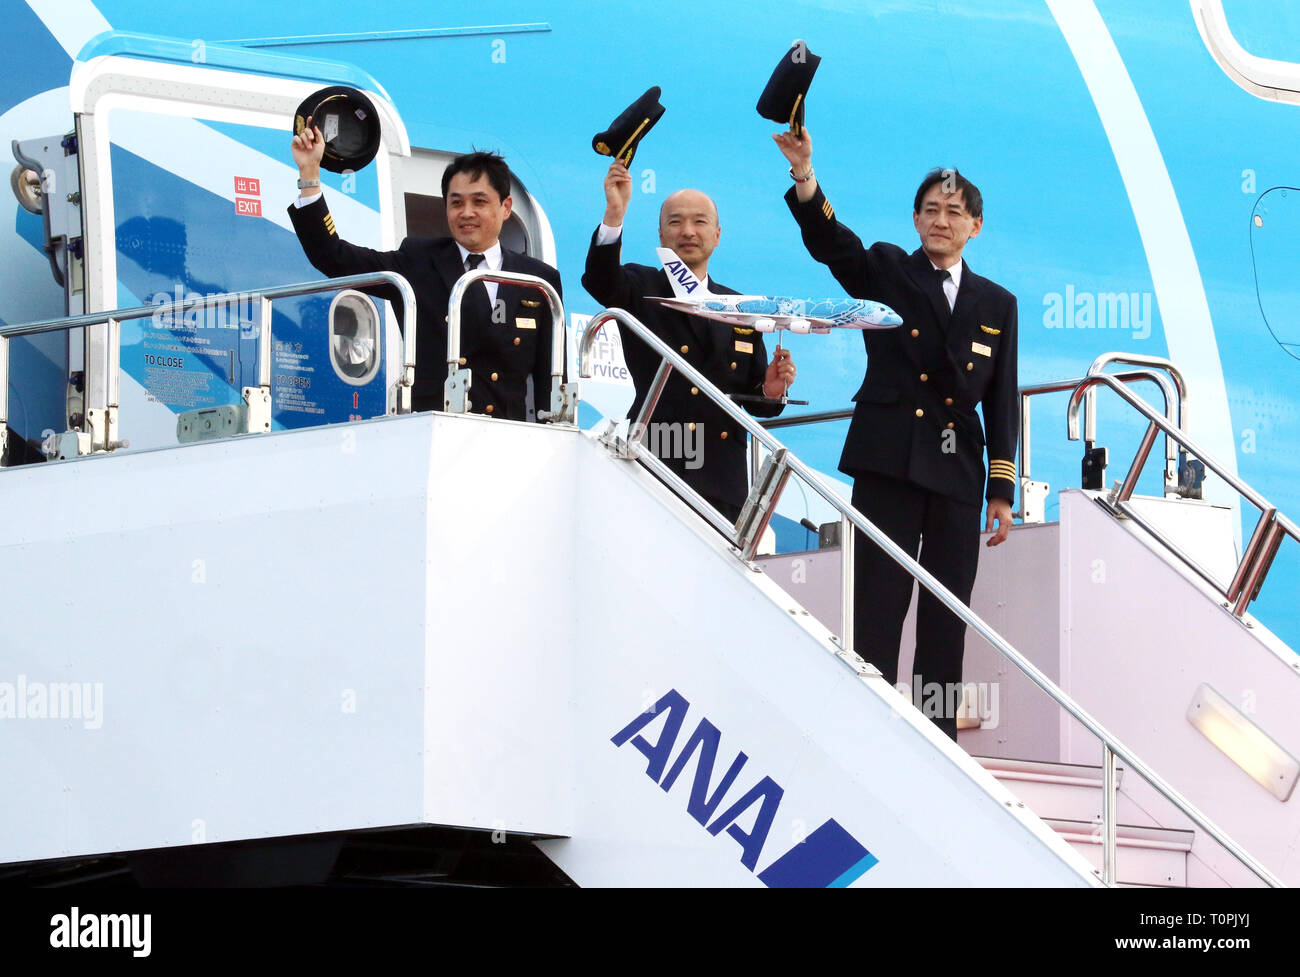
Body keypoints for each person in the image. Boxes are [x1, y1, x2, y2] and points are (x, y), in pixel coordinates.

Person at [774, 128, 1017, 741]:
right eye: (931, 209)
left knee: (947, 609)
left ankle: (935, 740)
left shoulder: (997, 303)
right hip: (891, 458)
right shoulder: (885, 267)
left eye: (954, 212)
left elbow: (1002, 398)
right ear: (915, 219)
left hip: (958, 470)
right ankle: (866, 726)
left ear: (976, 227)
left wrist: (1001, 488)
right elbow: (833, 245)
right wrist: (806, 176)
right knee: (878, 603)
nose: (941, 220)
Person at [288, 121, 563, 421]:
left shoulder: (539, 280)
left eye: (479, 202)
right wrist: (309, 176)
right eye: (456, 202)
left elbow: (552, 382)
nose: (466, 212)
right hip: (435, 435)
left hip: (504, 441)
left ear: (506, 207)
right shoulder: (419, 260)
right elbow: (334, 258)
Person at [583, 160, 798, 522]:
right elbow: (600, 280)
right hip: (657, 454)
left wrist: (772, 389)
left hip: (722, 473)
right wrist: (615, 214)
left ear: (717, 234)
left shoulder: (739, 306)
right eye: (675, 222)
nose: (688, 231)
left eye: (700, 222)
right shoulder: (641, 285)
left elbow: (757, 400)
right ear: (661, 233)